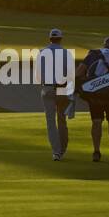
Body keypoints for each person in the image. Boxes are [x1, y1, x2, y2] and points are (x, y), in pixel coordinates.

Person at [37, 28, 73, 161]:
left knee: (50, 122)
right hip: (62, 88)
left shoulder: (42, 52)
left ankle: (56, 152)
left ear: (49, 39)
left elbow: (39, 74)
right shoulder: (66, 53)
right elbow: (70, 74)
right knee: (62, 120)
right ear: (60, 39)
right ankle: (63, 150)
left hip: (47, 88)